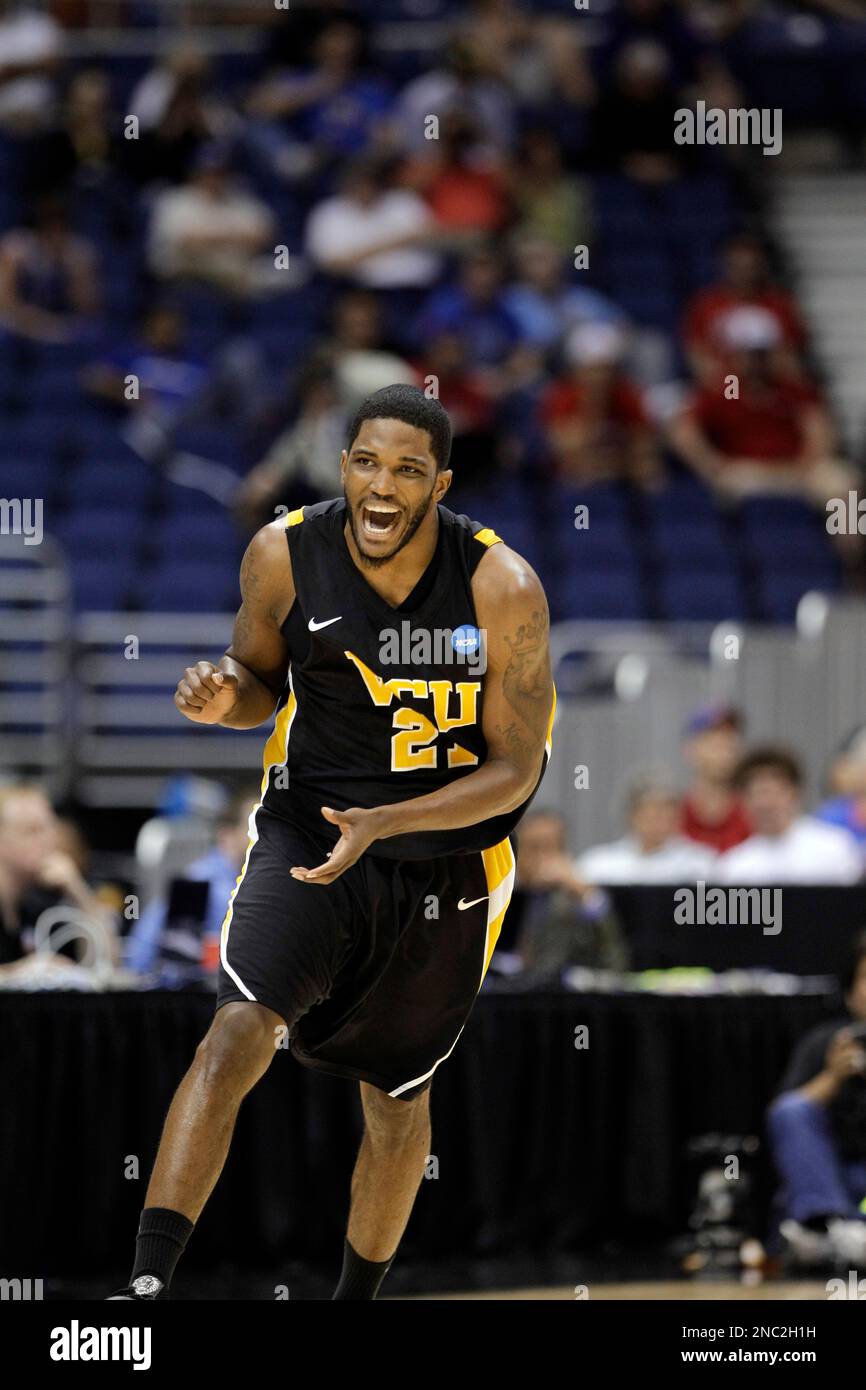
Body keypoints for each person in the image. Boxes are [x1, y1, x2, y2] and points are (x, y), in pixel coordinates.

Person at [107, 384, 556, 1301]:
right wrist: (218, 693)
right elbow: (258, 682)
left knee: (396, 1099)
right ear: (341, 463)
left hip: (447, 857)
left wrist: (391, 821)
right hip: (310, 827)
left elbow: (518, 767)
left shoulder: (499, 584)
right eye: (365, 462)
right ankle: (146, 1292)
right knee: (237, 1030)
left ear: (440, 484)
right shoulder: (283, 551)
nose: (381, 486)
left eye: (407, 469)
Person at [768, 932, 866, 1267]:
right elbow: (784, 1119)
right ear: (851, 992)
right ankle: (831, 1225)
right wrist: (833, 1077)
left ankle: (821, 1236)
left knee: (798, 1209)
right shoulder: (824, 1042)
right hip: (828, 1178)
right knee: (793, 1110)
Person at [125, 789, 258, 982]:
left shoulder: (247, 885)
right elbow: (169, 967)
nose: (266, 836)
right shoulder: (204, 885)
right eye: (255, 827)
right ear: (226, 835)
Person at [0, 784, 117, 977]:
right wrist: (19, 973)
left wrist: (78, 891)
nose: (49, 841)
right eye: (33, 830)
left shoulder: (39, 903)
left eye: (50, 829)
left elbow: (106, 966)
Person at [506, 810, 629, 977]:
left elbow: (614, 961)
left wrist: (585, 895)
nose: (542, 858)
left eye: (552, 848)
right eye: (534, 848)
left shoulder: (575, 900)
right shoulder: (498, 894)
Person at [716, 747, 863, 885]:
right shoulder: (733, 868)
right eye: (756, 794)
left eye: (773, 792)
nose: (765, 804)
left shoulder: (835, 848)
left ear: (795, 793)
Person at [575, 770, 716, 884]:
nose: (657, 817)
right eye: (648, 810)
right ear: (631, 814)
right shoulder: (599, 864)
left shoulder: (699, 864)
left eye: (666, 809)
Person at [680, 703, 752, 853]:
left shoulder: (754, 815)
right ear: (689, 750)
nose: (724, 748)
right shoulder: (673, 818)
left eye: (729, 739)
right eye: (712, 739)